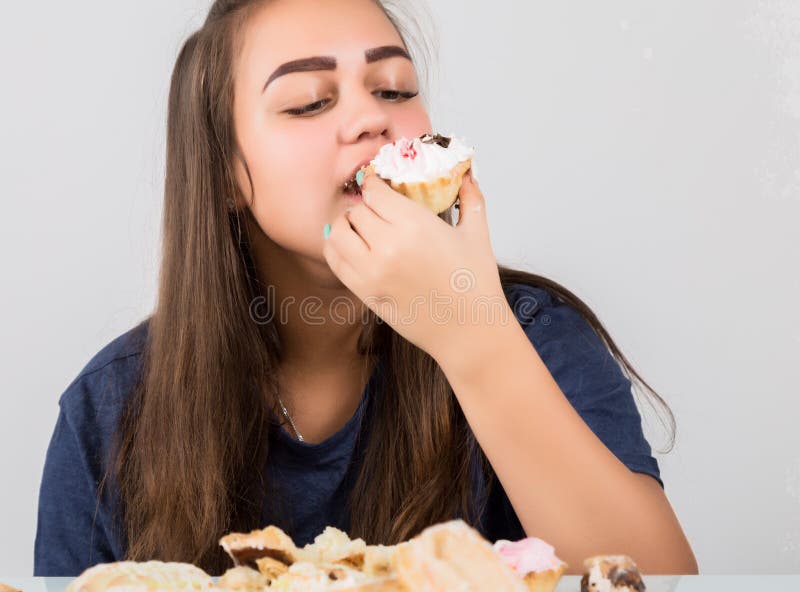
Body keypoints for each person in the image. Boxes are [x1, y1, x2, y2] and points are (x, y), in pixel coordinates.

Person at [34, 0, 698, 577]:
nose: (370, 120)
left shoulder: (530, 333)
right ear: (227, 176)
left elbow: (659, 578)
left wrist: (473, 335)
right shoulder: (110, 409)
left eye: (394, 88)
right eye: (309, 102)